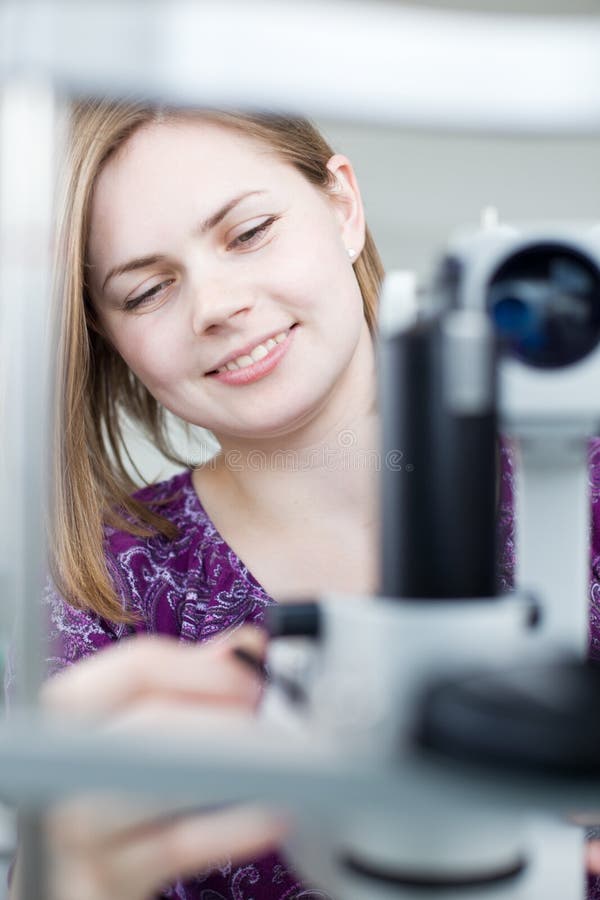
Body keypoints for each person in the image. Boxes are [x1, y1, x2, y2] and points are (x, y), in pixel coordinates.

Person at [6, 99, 600, 899]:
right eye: (147, 290)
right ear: (110, 338)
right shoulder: (94, 603)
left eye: (249, 233)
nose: (217, 306)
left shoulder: (578, 490)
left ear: (343, 207)